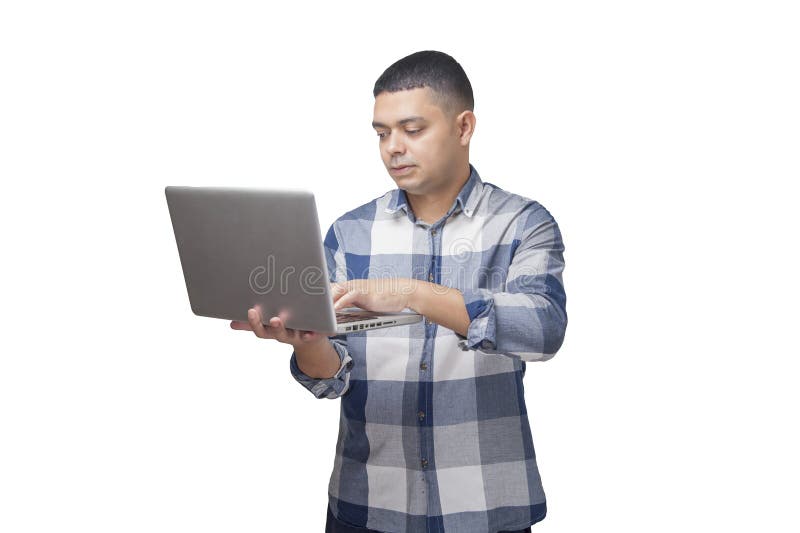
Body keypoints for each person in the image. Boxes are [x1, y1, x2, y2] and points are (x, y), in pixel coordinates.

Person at [231, 50, 568, 533]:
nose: (393, 147)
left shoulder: (521, 224)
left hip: (485, 509)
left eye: (412, 130)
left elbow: (542, 328)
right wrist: (310, 344)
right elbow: (331, 376)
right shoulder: (350, 232)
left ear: (463, 126)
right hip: (368, 506)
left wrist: (410, 293)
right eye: (382, 133)